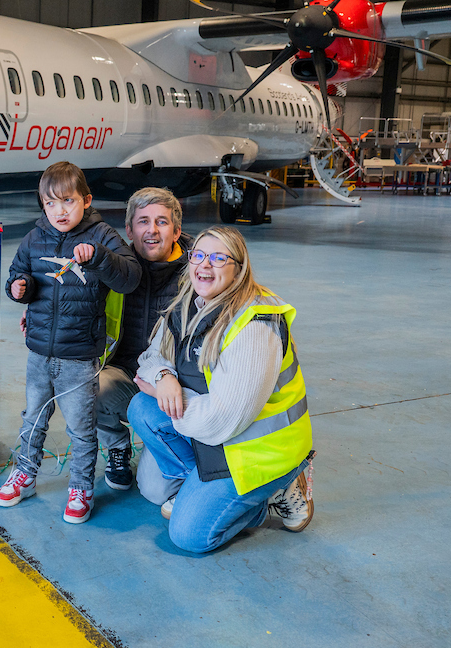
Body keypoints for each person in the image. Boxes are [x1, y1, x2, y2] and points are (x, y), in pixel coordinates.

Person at [127, 226, 314, 553]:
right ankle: (201, 489)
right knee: (142, 415)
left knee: (188, 535)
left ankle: (273, 492)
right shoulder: (190, 303)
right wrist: (163, 376)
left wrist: (161, 393)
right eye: (198, 255)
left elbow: (222, 420)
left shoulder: (255, 325)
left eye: (217, 258)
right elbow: (151, 357)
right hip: (215, 435)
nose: (204, 265)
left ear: (238, 269)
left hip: (256, 453)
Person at [0, 161, 141, 524]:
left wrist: (100, 257)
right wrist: (19, 288)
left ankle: (81, 488)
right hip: (39, 352)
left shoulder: (102, 235)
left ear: (86, 200)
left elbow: (130, 277)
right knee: (32, 418)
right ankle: (25, 473)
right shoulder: (35, 238)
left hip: (79, 356)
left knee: (81, 427)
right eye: (50, 203)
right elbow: (18, 273)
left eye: (68, 201)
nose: (59, 211)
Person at [94, 187, 192, 492]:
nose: (152, 230)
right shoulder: (115, 268)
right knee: (86, 383)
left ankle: (175, 443)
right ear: (129, 230)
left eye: (162, 222)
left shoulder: (197, 273)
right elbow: (73, 295)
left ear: (176, 231)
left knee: (155, 490)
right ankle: (117, 447)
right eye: (143, 222)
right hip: (128, 376)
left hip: (176, 390)